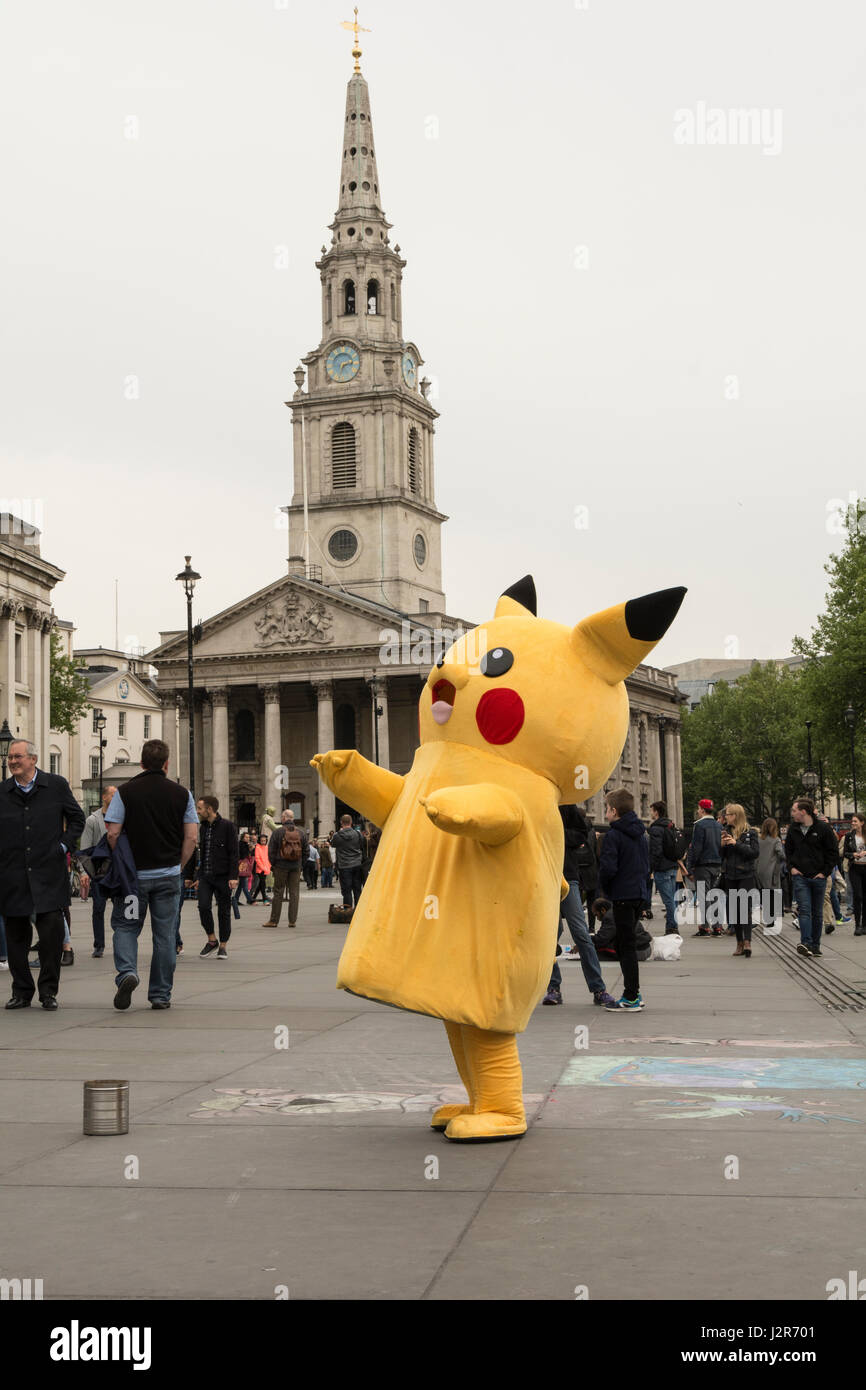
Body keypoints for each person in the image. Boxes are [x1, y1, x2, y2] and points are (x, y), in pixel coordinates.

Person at [105, 739, 198, 1010]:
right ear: (167, 764)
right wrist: (179, 866)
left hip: (134, 881)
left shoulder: (125, 792)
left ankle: (127, 972)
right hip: (168, 876)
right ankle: (160, 994)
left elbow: (112, 832)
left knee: (126, 926)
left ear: (142, 762)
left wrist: (123, 860)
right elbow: (191, 837)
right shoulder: (182, 794)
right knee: (165, 935)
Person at [0, 739, 87, 1011]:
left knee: (51, 938)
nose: (12, 761)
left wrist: (62, 846)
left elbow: (77, 820)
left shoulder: (56, 786)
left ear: (33, 759)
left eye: (18, 757)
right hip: (13, 876)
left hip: (49, 875)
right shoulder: (2, 791)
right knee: (16, 940)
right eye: (10, 757)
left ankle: (48, 991)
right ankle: (22, 991)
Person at [542, 804, 615, 1007]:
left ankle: (598, 988)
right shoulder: (534, 801)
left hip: (567, 875)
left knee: (581, 933)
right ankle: (553, 987)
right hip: (542, 876)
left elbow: (581, 835)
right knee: (548, 935)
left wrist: (556, 832)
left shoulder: (567, 805)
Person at [598, 788, 650, 1010]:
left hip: (622, 895)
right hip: (637, 894)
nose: (605, 814)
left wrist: (607, 890)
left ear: (614, 810)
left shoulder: (614, 836)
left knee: (625, 946)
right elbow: (647, 866)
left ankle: (631, 995)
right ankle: (633, 992)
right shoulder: (640, 835)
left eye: (606, 809)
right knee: (624, 942)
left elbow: (608, 868)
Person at [785, 798, 840, 958]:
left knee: (817, 912)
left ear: (803, 812)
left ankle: (815, 945)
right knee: (805, 910)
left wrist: (824, 872)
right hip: (800, 876)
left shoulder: (823, 828)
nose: (792, 813)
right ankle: (806, 942)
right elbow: (788, 851)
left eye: (794, 810)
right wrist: (792, 868)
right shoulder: (793, 830)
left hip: (818, 876)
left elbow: (833, 852)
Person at [187, 796, 239, 959]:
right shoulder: (203, 828)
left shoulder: (228, 826)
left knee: (224, 912)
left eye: (200, 808)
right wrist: (196, 876)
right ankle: (212, 939)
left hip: (223, 877)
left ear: (209, 809)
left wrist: (233, 876)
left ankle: (223, 945)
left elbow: (234, 853)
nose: (198, 811)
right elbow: (200, 853)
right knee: (203, 907)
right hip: (206, 876)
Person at [79, 784, 117, 958]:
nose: (116, 798)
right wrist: (84, 872)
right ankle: (99, 945)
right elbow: (85, 848)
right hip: (99, 871)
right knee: (98, 909)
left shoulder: (121, 819)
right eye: (113, 795)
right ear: (104, 797)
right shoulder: (92, 820)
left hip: (117, 871)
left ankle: (121, 941)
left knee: (121, 908)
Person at [720, 804, 759, 956]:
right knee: (735, 911)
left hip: (746, 875)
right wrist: (722, 845)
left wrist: (736, 844)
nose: (726, 817)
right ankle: (739, 942)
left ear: (736, 816)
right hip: (731, 875)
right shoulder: (726, 831)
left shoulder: (750, 833)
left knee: (745, 909)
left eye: (729, 814)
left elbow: (754, 853)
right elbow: (721, 855)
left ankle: (747, 941)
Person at [686, 798, 723, 937]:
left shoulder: (699, 825)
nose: (697, 811)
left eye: (698, 808)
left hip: (703, 865)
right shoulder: (719, 826)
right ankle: (717, 926)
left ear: (702, 809)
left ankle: (705, 925)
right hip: (716, 864)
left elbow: (696, 848)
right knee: (714, 896)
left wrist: (691, 866)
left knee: (703, 896)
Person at [263, 817, 307, 928]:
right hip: (296, 866)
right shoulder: (301, 832)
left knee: (278, 891)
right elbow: (307, 850)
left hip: (280, 865)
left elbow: (271, 850)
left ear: (283, 820)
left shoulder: (278, 832)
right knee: (294, 893)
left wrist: (274, 864)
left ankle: (274, 921)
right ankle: (292, 921)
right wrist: (301, 864)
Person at [648, 800, 680, 935]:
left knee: (668, 901)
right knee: (671, 899)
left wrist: (651, 868)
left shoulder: (656, 829)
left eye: (651, 810)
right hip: (673, 865)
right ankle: (671, 926)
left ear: (656, 812)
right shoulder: (670, 825)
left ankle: (672, 927)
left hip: (662, 868)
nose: (650, 813)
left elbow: (656, 851)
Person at [756, 818, 785, 935]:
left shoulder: (759, 839)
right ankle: (772, 919)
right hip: (772, 871)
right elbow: (780, 853)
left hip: (759, 871)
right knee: (773, 895)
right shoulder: (776, 840)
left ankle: (768, 918)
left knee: (764, 894)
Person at [331, 814, 365, 908]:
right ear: (351, 822)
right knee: (357, 889)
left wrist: (338, 832)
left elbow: (332, 844)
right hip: (357, 864)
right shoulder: (358, 834)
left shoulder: (338, 836)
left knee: (347, 890)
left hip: (344, 865)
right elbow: (362, 844)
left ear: (341, 823)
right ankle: (358, 911)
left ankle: (348, 911)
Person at [841, 813, 866, 935]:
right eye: (852, 821)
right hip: (855, 868)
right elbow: (845, 853)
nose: (853, 823)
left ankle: (864, 925)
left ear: (862, 822)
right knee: (858, 896)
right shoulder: (849, 836)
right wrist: (853, 855)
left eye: (855, 821)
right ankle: (858, 925)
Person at [232, 832, 255, 917]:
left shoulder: (244, 844)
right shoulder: (242, 844)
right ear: (242, 837)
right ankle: (250, 900)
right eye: (246, 837)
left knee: (241, 885)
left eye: (248, 837)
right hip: (242, 865)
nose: (247, 838)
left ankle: (236, 899)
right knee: (244, 884)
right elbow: (243, 855)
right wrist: (250, 849)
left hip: (243, 865)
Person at [250, 836, 271, 904]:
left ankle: (252, 899)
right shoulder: (257, 847)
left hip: (266, 868)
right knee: (263, 884)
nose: (263, 842)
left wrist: (269, 866)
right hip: (260, 869)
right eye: (262, 841)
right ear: (259, 841)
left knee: (260, 885)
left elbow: (268, 858)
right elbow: (257, 859)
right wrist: (263, 868)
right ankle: (265, 900)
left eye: (264, 841)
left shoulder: (267, 847)